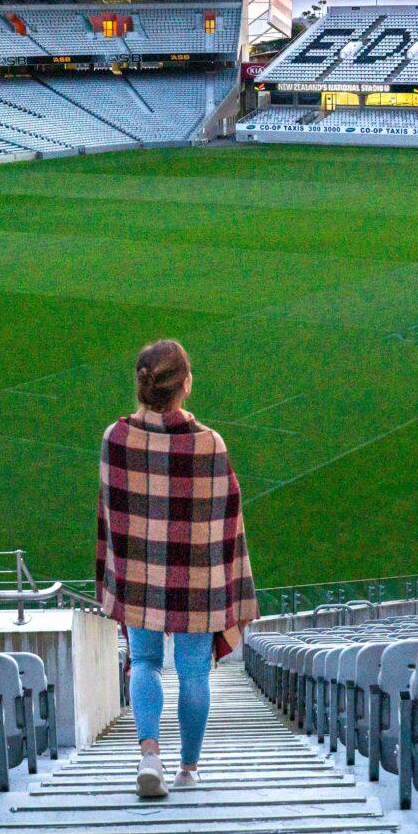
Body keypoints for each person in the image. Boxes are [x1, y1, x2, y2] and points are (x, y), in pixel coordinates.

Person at [96, 338, 259, 799]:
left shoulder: (116, 438)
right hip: (196, 578)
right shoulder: (209, 443)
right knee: (194, 673)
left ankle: (150, 756)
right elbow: (228, 520)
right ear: (185, 384)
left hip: (140, 573)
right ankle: (188, 769)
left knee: (143, 661)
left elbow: (112, 514)